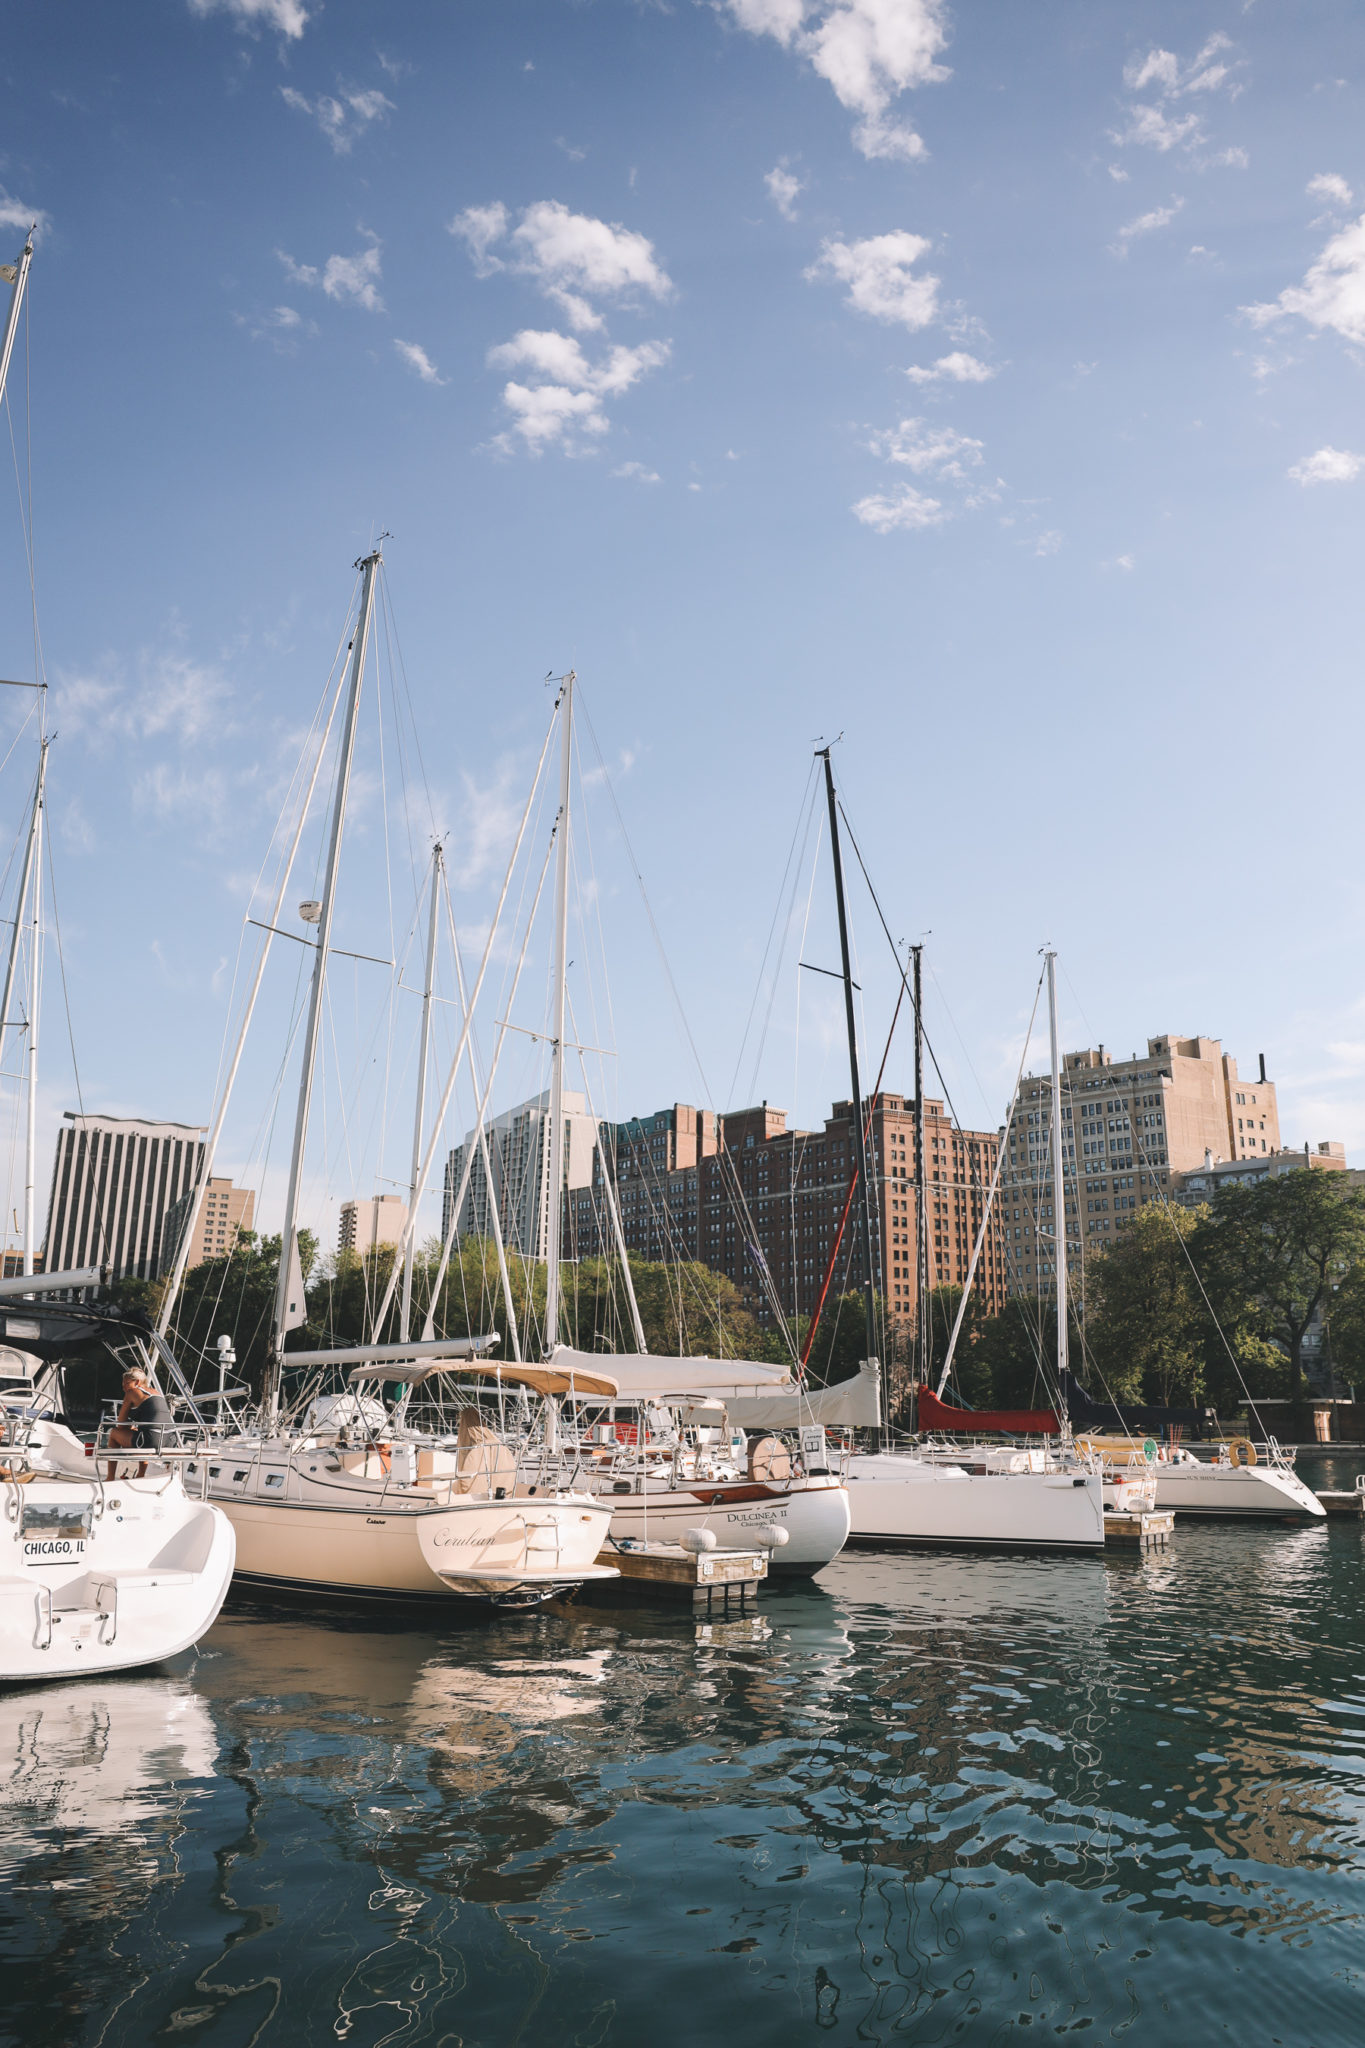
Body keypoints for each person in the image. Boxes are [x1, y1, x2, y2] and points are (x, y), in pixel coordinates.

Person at [106, 1366, 173, 1478]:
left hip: (151, 1440)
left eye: (126, 1384)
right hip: (169, 1440)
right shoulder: (157, 1392)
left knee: (114, 1433)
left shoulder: (132, 1392)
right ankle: (141, 1474)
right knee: (142, 1433)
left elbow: (120, 1424)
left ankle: (110, 1477)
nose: (124, 1388)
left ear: (137, 1382)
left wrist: (129, 1428)